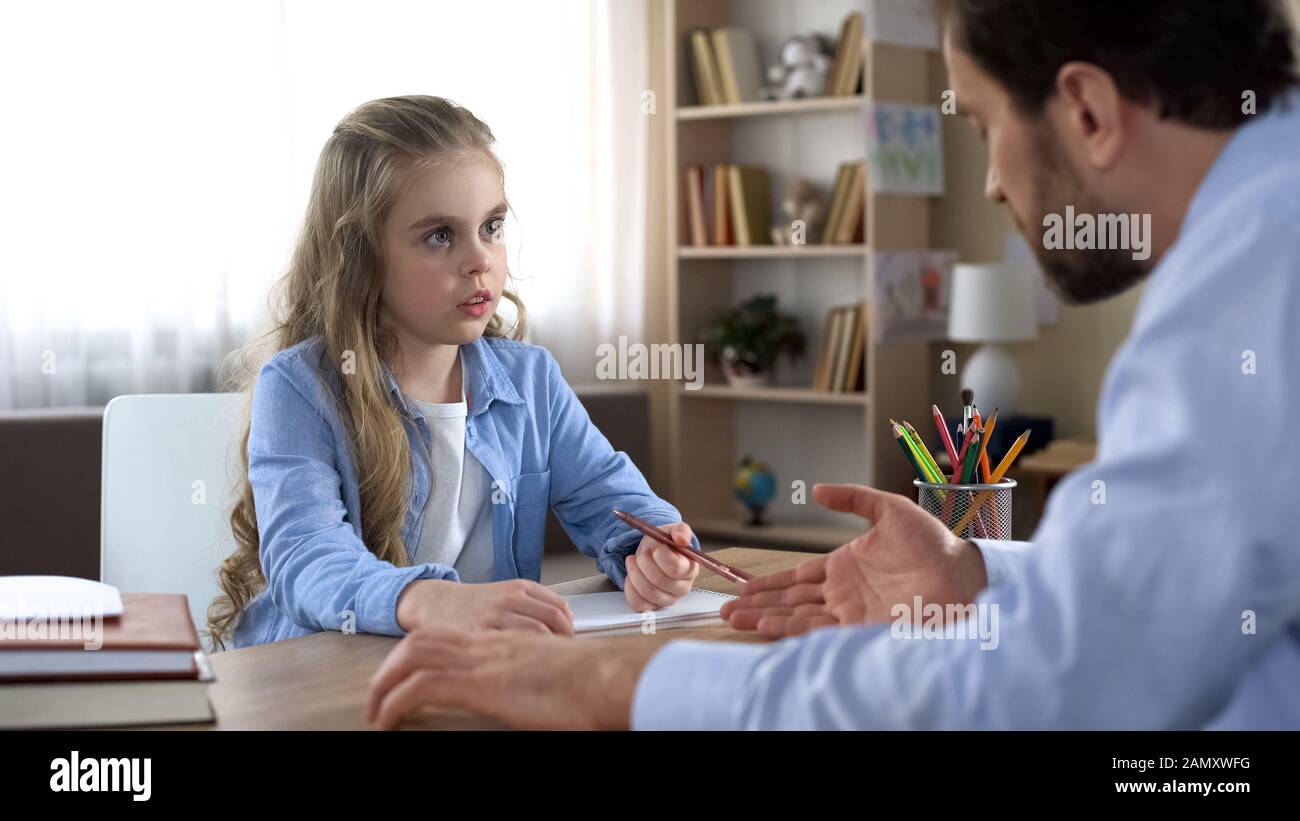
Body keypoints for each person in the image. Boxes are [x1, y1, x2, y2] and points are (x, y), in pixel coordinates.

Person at [366, 0, 1300, 730]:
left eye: (979, 128)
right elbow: (1172, 613)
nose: (989, 183)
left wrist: (627, 680)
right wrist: (977, 577)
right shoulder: (1264, 236)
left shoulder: (1249, 284)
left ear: (1090, 109)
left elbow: (1056, 687)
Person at [207, 96, 700, 650]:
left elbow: (613, 499)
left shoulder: (531, 379)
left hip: (475, 669)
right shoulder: (300, 387)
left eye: (491, 226)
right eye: (440, 235)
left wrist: (653, 551)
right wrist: (430, 600)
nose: (479, 259)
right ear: (359, 256)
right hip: (320, 677)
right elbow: (308, 556)